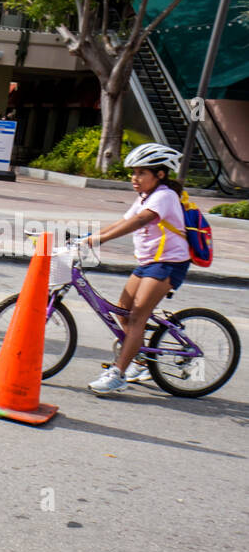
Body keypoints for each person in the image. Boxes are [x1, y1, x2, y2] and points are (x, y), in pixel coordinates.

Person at [82, 143, 192, 395]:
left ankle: (118, 374)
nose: (135, 178)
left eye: (142, 173)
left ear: (160, 175)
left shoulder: (164, 196)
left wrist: (100, 240)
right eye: (133, 172)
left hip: (169, 263)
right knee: (123, 312)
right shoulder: (145, 197)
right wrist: (89, 238)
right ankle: (141, 362)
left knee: (136, 317)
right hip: (148, 262)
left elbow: (142, 220)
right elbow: (125, 221)